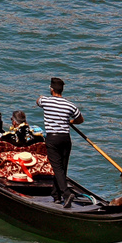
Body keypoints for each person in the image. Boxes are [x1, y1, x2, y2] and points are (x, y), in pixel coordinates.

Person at [36, 78, 83, 206]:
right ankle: (56, 195)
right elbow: (80, 119)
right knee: (62, 167)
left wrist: (42, 97)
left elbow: (38, 101)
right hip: (65, 138)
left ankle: (66, 194)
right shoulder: (70, 105)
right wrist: (70, 121)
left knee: (57, 168)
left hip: (53, 138)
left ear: (51, 89)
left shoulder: (46, 101)